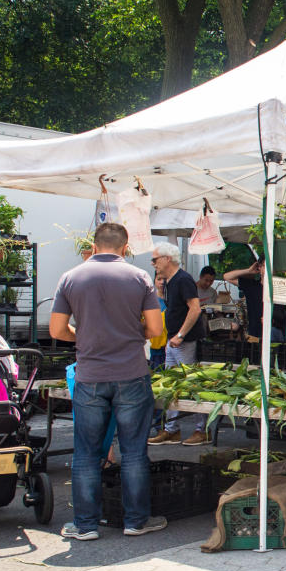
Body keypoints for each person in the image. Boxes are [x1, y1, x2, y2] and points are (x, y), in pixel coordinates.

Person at [49, 223, 167, 540]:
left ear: (95, 245)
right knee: (133, 452)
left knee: (87, 454)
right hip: (131, 374)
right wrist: (130, 334)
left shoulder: (70, 278)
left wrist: (85, 337)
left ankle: (85, 525)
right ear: (125, 247)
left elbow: (57, 331)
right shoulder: (140, 277)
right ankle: (135, 522)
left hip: (90, 376)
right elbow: (156, 329)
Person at [148, 242, 208, 446]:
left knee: (190, 383)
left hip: (185, 340)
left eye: (155, 259)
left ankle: (201, 429)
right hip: (173, 340)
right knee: (171, 384)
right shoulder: (170, 281)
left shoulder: (183, 279)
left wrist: (181, 334)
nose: (153, 263)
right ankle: (171, 429)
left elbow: (195, 309)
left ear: (167, 259)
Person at [224, 260, 286, 343]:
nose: (268, 269)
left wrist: (285, 270)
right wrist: (248, 270)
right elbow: (227, 277)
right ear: (259, 267)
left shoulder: (281, 286)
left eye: (271, 266)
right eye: (265, 265)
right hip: (254, 335)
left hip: (276, 335)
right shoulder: (251, 285)